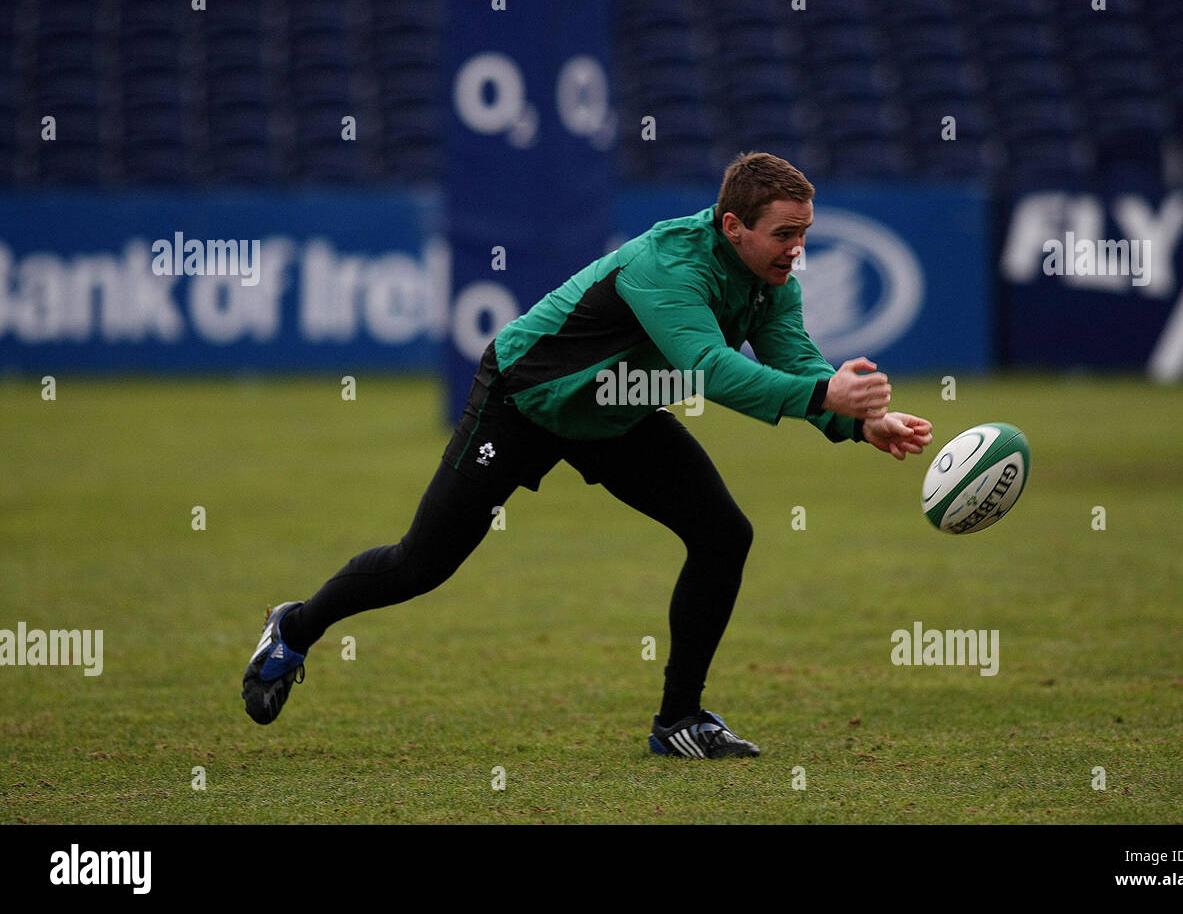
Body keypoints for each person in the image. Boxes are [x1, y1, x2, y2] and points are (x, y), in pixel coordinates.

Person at [242, 152, 933, 758]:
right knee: (421, 564)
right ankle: (293, 627)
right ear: (733, 227)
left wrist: (856, 424)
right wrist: (825, 397)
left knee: (724, 535)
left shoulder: (773, 281)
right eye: (785, 234)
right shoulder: (668, 264)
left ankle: (679, 720)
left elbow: (795, 360)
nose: (797, 249)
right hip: (524, 397)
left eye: (804, 234)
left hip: (617, 407)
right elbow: (711, 369)